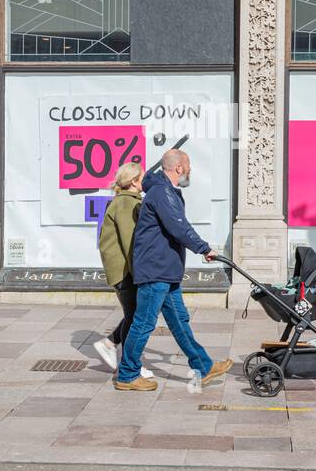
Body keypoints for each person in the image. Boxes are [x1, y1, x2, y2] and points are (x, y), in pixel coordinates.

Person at [114, 149, 233, 391]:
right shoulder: (161, 192)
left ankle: (203, 365)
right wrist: (203, 248)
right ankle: (127, 375)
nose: (189, 171)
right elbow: (179, 226)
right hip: (155, 270)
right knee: (144, 323)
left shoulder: (163, 191)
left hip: (165, 271)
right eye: (187, 166)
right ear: (178, 168)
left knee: (179, 321)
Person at [94, 162, 153, 378]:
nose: (145, 182)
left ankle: (110, 344)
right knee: (136, 317)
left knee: (134, 315)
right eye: (142, 178)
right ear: (134, 181)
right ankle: (128, 364)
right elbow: (131, 243)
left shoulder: (125, 201)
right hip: (125, 270)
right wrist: (141, 274)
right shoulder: (127, 204)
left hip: (122, 269)